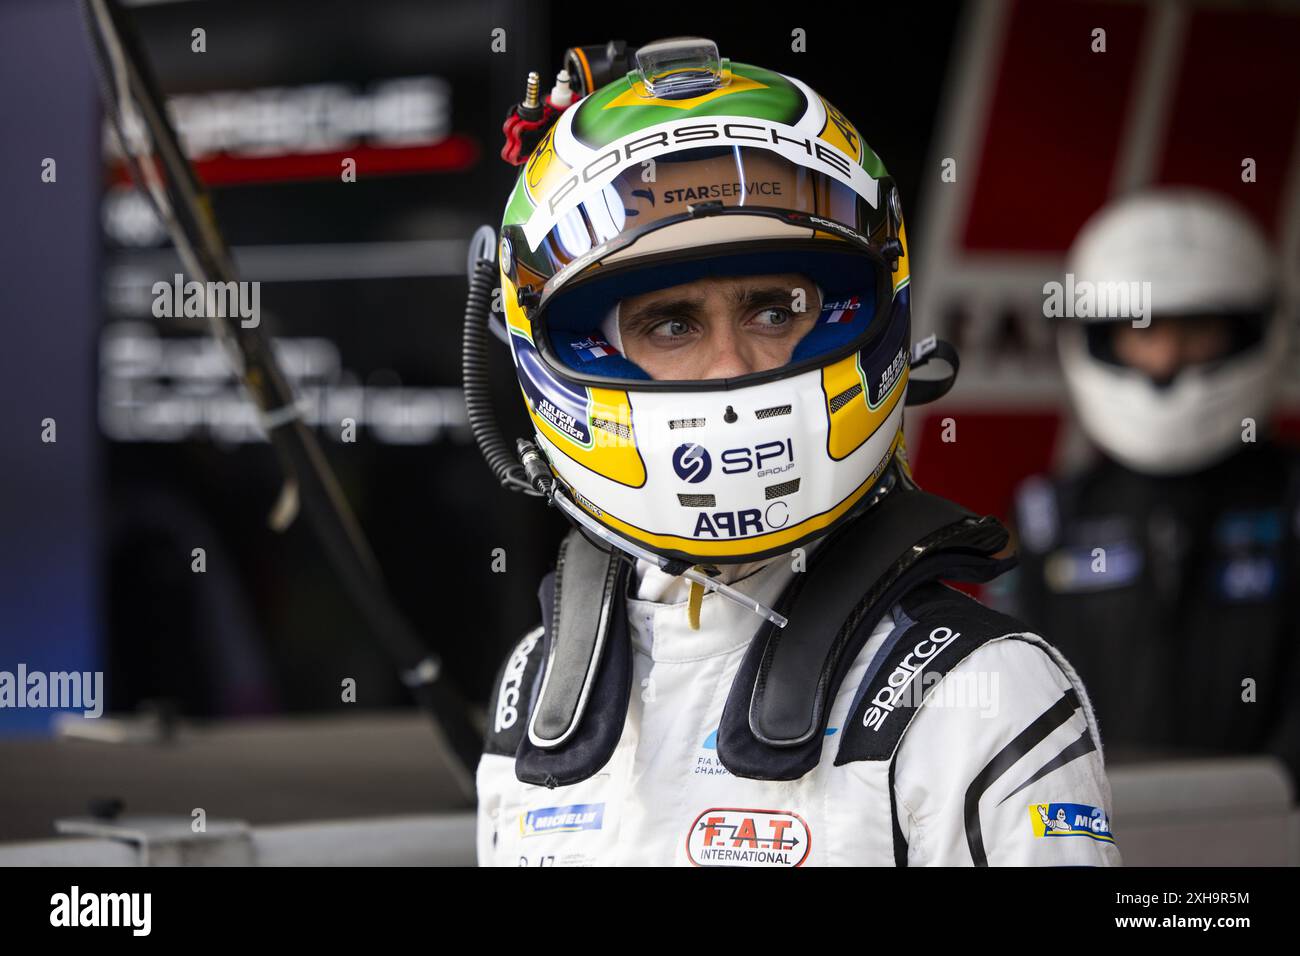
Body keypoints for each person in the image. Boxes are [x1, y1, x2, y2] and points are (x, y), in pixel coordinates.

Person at [474, 38, 1120, 866]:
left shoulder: (977, 694)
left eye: (775, 311)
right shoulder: (539, 688)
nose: (733, 366)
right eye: (671, 325)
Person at [1008, 189, 1300, 785]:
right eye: (1144, 334)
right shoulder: (1049, 517)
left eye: (1194, 333)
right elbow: (1016, 710)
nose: (1166, 360)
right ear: (1100, 339)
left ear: (1248, 332)